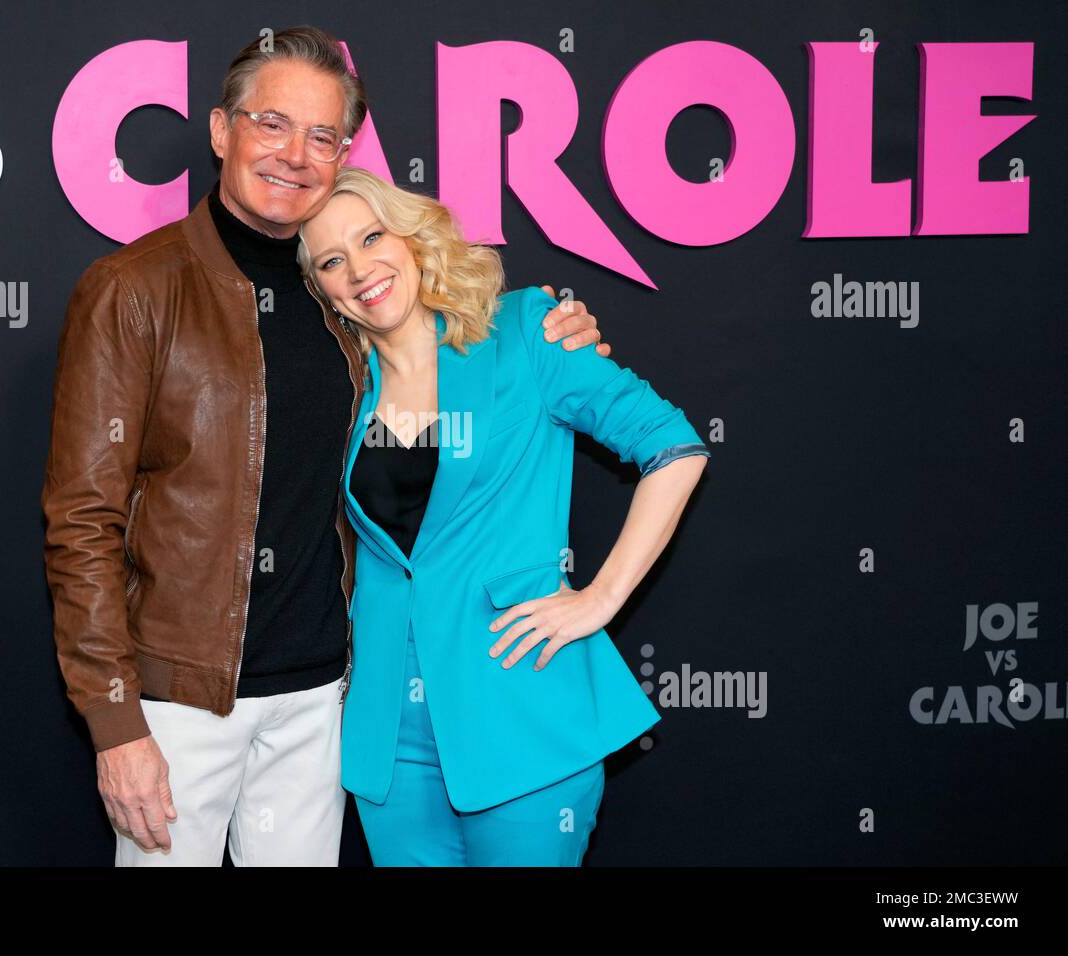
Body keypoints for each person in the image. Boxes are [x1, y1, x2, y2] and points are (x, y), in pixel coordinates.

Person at [40, 26, 608, 867]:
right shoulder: (133, 289)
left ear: (345, 153)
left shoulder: (349, 293)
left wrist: (563, 331)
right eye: (272, 124)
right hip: (181, 702)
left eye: (323, 136)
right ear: (222, 131)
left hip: (321, 702)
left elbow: (462, 357)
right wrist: (117, 723)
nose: (295, 154)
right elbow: (81, 521)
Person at [297, 166, 711, 866]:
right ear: (322, 290)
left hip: (520, 714)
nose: (360, 268)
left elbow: (673, 447)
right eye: (332, 261)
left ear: (411, 236)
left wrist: (602, 597)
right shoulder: (346, 387)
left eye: (371, 237)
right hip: (389, 744)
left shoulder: (522, 332)